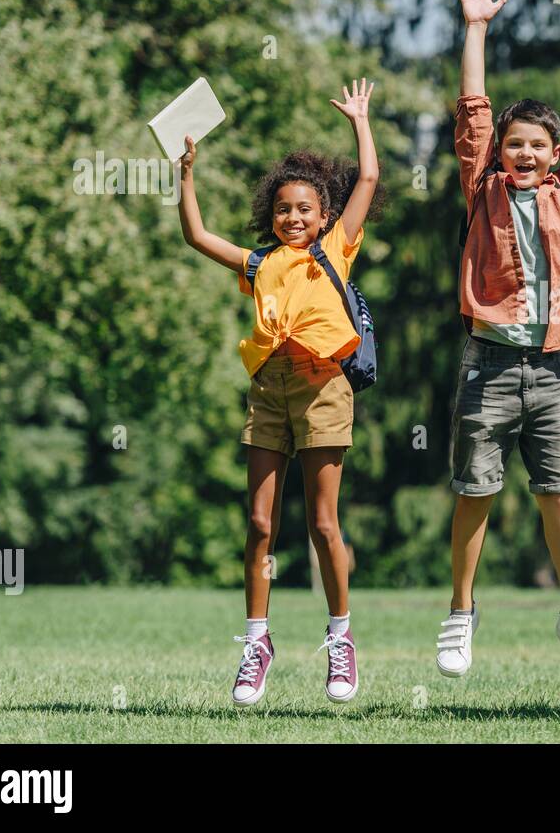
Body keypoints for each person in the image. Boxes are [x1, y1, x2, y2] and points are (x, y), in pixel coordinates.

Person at [176, 78, 384, 703]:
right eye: (284, 210)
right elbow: (196, 235)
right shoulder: (260, 263)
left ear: (324, 215)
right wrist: (185, 174)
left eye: (306, 210)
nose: (294, 219)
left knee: (323, 524)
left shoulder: (336, 250)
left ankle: (341, 639)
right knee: (260, 523)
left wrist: (360, 122)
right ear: (272, 215)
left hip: (323, 389)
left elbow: (368, 180)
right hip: (269, 390)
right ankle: (256, 642)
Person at [436, 0, 560, 685]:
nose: (530, 154)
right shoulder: (484, 189)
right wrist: (477, 27)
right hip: (488, 363)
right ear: (501, 152)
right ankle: (461, 612)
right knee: (475, 491)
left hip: (552, 368)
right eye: (517, 146)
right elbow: (474, 109)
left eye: (539, 145)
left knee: (558, 496)